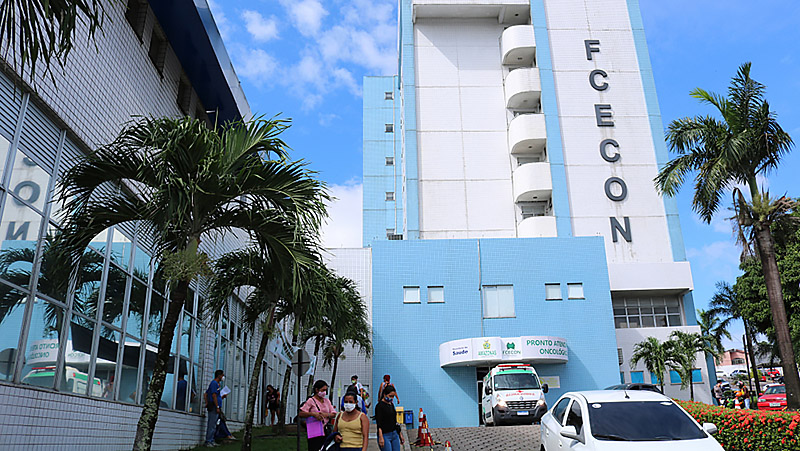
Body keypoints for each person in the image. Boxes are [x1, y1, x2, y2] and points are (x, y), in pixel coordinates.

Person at [299, 380, 337, 451]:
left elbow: (333, 414)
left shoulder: (327, 401)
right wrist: (313, 414)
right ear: (317, 390)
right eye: (323, 390)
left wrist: (325, 415)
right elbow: (301, 413)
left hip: (325, 430)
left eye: (325, 390)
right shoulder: (311, 401)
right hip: (314, 430)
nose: (324, 392)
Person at [375, 385, 404, 451]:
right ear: (385, 394)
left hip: (394, 433)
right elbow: (379, 423)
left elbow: (395, 421)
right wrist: (381, 437)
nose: (391, 398)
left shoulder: (391, 404)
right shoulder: (379, 406)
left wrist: (400, 434)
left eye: (393, 396)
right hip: (385, 434)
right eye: (390, 396)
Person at [205, 369, 224, 447]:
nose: (223, 377)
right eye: (222, 375)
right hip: (213, 406)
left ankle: (212, 440)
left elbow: (206, 394)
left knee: (214, 424)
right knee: (212, 424)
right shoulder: (214, 383)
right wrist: (217, 406)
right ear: (219, 375)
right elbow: (213, 395)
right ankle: (208, 441)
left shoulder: (217, 385)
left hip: (215, 405)